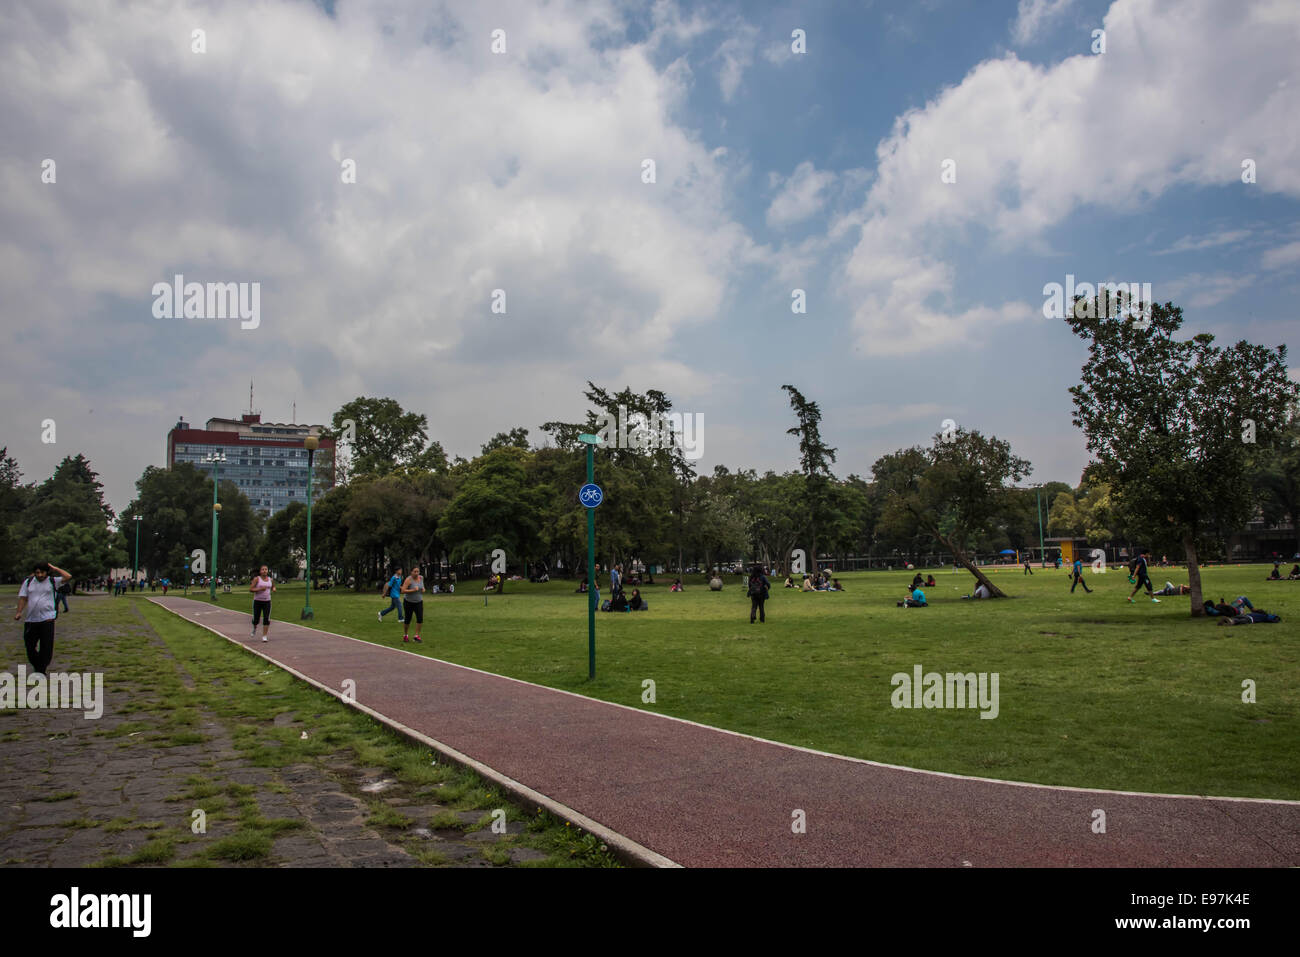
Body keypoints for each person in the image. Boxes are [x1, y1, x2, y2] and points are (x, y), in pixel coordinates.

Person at [14, 561, 71, 674]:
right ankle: (38, 665)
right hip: (31, 620)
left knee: (46, 647)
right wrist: (19, 612)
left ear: (47, 572)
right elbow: (23, 598)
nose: (40, 575)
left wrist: (55, 568)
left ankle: (41, 669)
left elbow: (68, 576)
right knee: (29, 646)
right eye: (37, 572)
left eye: (42, 572)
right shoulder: (28, 582)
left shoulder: (53, 581)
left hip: (47, 619)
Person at [249, 565, 275, 642]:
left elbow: (273, 586)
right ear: (260, 571)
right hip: (257, 601)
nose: (264, 571)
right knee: (256, 619)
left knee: (266, 618)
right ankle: (254, 627)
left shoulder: (271, 579)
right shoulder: (257, 579)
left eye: (266, 569)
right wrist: (260, 588)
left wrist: (274, 589)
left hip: (267, 602)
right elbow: (251, 589)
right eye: (263, 569)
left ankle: (264, 636)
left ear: (267, 571)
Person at [401, 565, 425, 643]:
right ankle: (405, 635)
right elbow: (403, 591)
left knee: (420, 618)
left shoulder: (421, 578)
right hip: (408, 602)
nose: (416, 573)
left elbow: (422, 587)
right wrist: (413, 590)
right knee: (408, 619)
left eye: (417, 571)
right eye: (415, 571)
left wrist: (423, 589)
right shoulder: (408, 580)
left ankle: (416, 636)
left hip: (419, 602)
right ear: (411, 572)